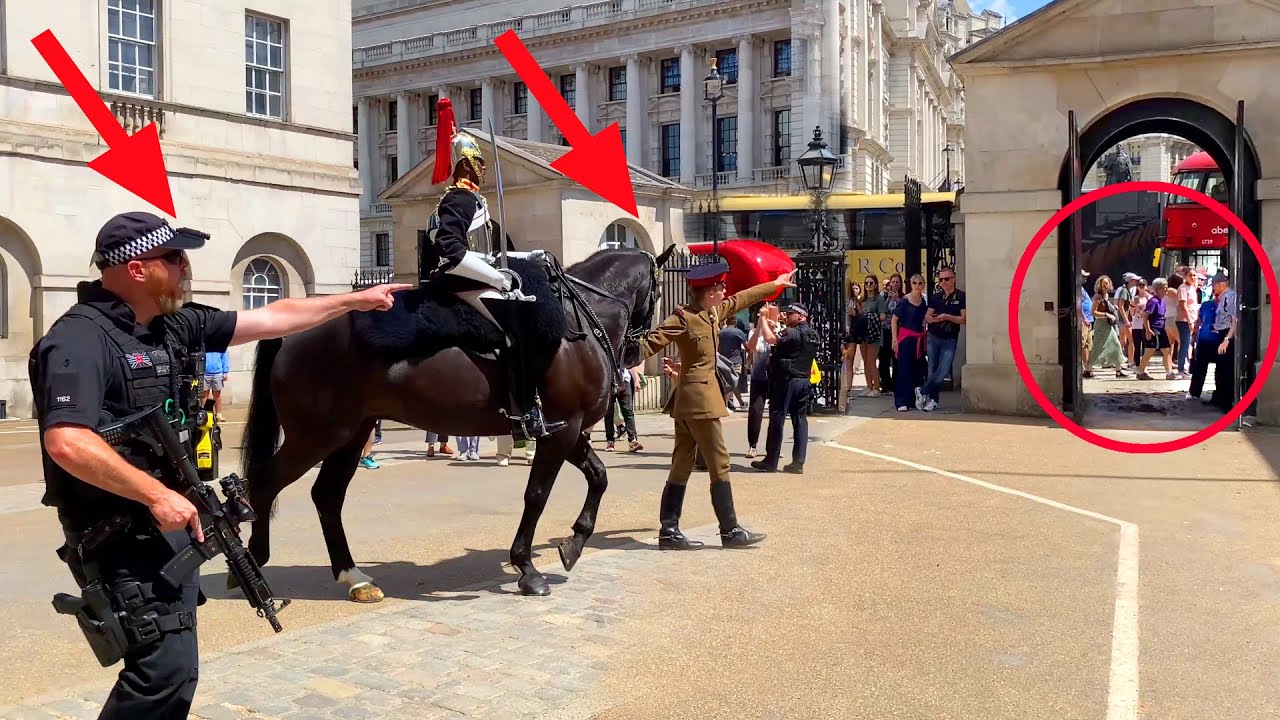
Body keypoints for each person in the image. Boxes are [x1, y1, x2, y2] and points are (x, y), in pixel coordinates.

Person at [28, 211, 408, 720]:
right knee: (159, 672)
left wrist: (352, 302)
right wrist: (156, 494)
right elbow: (67, 441)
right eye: (175, 258)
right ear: (137, 269)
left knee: (176, 668)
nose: (186, 268)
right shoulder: (78, 340)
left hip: (173, 530)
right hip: (119, 537)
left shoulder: (174, 324)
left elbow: (272, 318)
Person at [418, 96, 564, 441]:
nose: (483, 167)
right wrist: (497, 277)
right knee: (517, 331)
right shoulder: (460, 198)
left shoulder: (464, 199)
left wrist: (528, 258)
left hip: (465, 278)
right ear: (466, 165)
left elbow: (482, 250)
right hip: (459, 282)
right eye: (479, 161)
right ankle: (522, 412)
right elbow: (452, 251)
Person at [638, 261, 796, 550]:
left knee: (683, 462)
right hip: (698, 402)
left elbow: (742, 298)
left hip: (691, 401)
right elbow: (649, 344)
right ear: (709, 291)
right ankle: (730, 530)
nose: (725, 291)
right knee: (719, 462)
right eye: (720, 287)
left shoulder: (711, 313)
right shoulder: (683, 318)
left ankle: (669, 531)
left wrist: (775, 285)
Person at [751, 302, 819, 474]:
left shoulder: (793, 332)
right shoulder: (813, 334)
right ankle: (798, 462)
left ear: (801, 316)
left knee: (777, 418)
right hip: (804, 381)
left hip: (787, 380)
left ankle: (771, 460)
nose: (786, 317)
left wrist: (763, 319)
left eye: (790, 315)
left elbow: (771, 339)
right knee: (800, 419)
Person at [921, 266, 965, 411]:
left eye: (947, 279)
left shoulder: (960, 296)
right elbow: (927, 317)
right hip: (933, 337)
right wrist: (933, 319)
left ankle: (922, 391)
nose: (944, 282)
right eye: (941, 279)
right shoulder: (936, 297)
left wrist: (947, 317)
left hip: (949, 338)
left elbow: (963, 319)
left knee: (944, 369)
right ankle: (933, 400)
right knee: (932, 369)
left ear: (953, 279)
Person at [891, 274, 929, 412]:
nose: (917, 286)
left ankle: (913, 400)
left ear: (923, 285)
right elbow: (894, 320)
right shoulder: (904, 301)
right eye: (914, 283)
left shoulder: (923, 302)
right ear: (911, 284)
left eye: (920, 283)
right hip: (905, 339)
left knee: (917, 370)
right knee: (904, 370)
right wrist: (894, 340)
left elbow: (924, 320)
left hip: (918, 340)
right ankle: (901, 401)